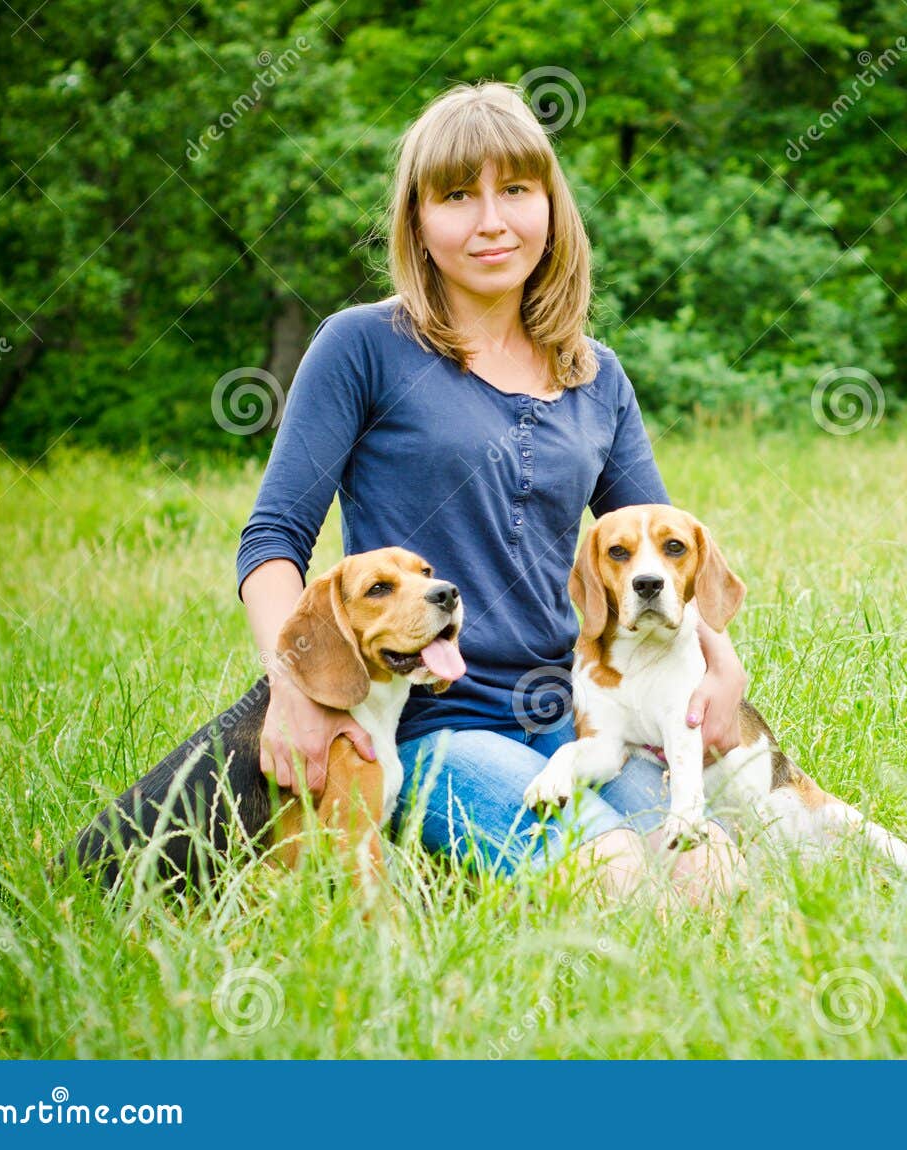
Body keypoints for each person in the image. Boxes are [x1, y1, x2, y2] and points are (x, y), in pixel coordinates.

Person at [234, 82, 746, 901]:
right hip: (436, 725)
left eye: (515, 189)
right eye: (457, 196)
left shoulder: (597, 375)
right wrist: (296, 685)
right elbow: (272, 540)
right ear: (416, 220)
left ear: (551, 205)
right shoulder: (361, 347)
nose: (491, 221)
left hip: (582, 720)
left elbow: (661, 554)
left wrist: (722, 666)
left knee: (709, 873)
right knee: (610, 871)